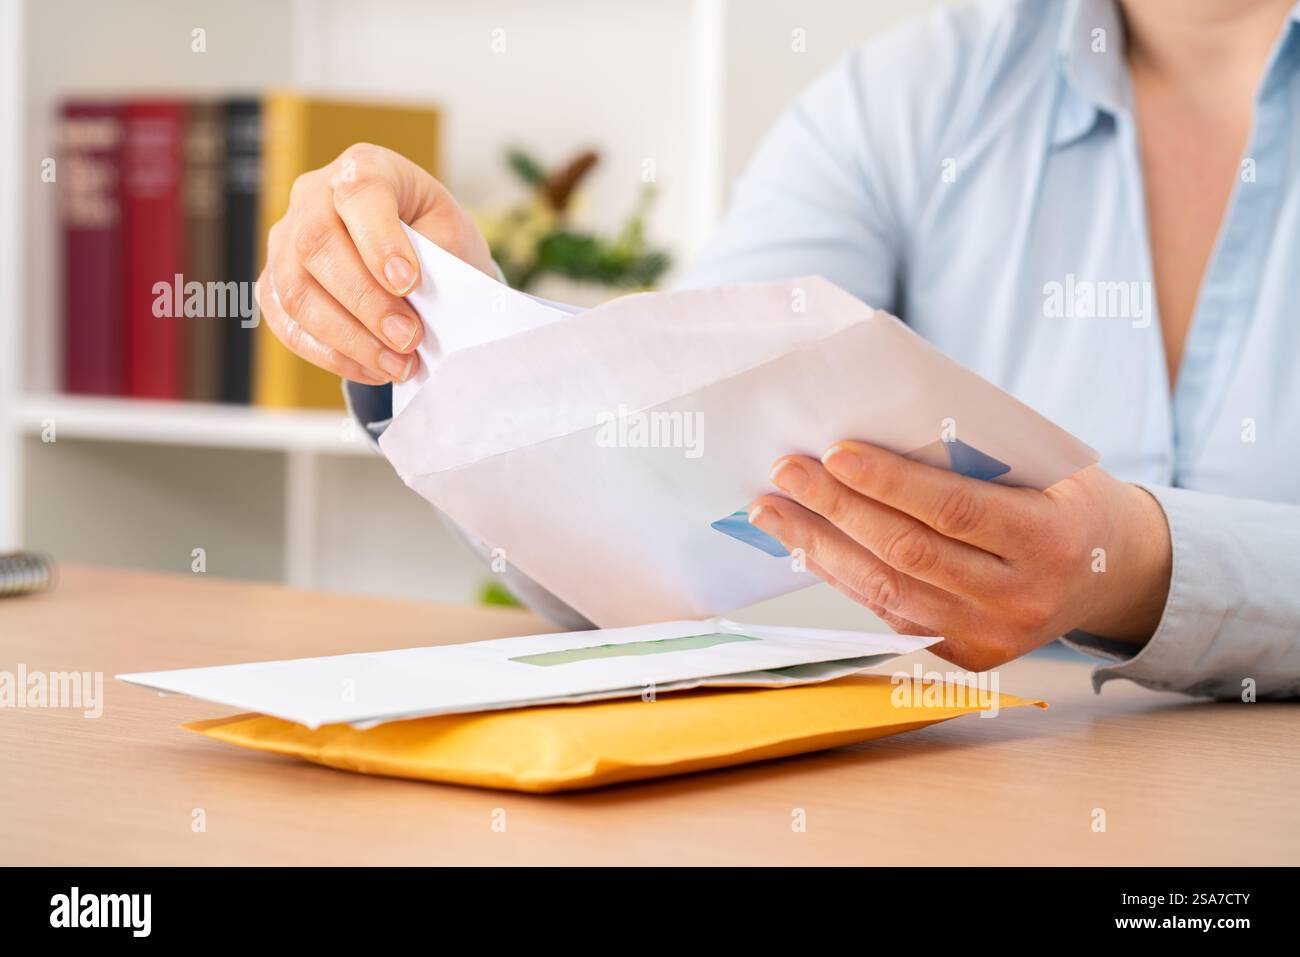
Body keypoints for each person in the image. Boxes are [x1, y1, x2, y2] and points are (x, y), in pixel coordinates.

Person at [256, 0, 1300, 699]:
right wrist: (453, 335)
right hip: (972, 804)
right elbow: (658, 529)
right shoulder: (902, 102)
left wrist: (1142, 568)